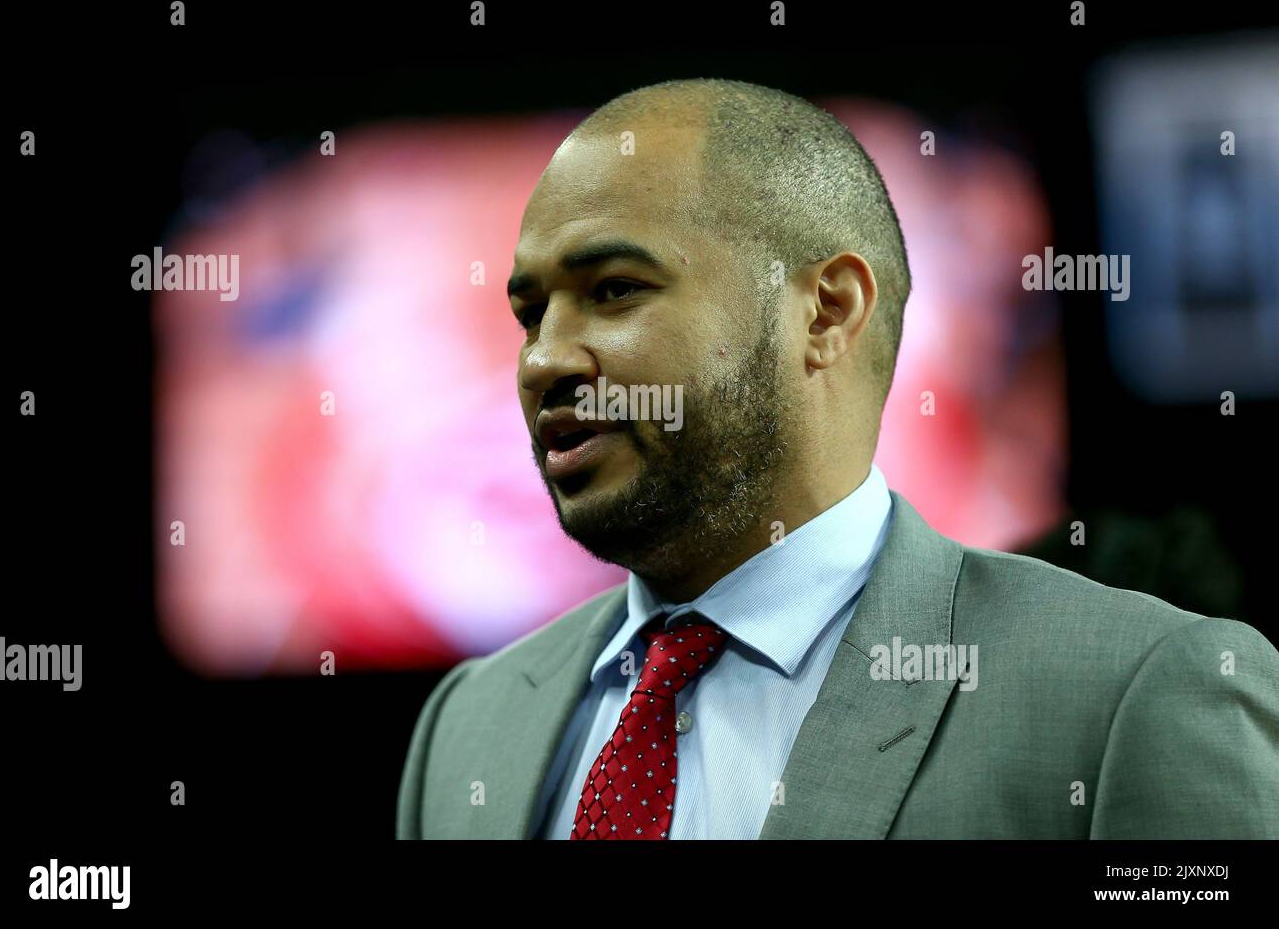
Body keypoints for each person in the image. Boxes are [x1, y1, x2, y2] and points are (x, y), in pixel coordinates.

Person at [397, 78, 1279, 839]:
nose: (544, 359)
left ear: (825, 312)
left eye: (614, 289)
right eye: (531, 313)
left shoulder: (1135, 693)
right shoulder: (471, 727)